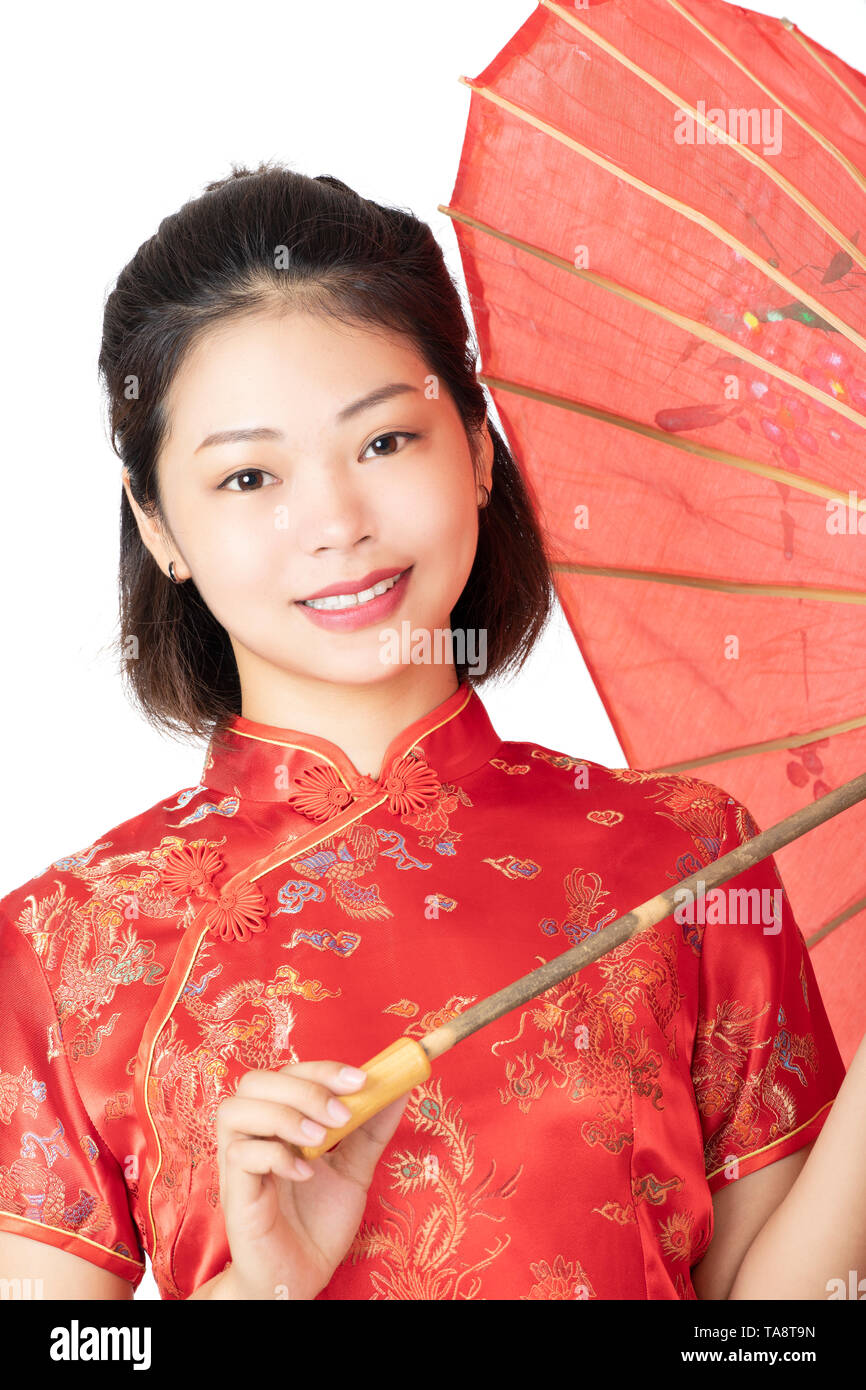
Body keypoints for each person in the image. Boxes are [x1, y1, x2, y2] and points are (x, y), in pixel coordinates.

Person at [0, 161, 856, 1301]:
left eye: (385, 443)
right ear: (158, 526)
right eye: (249, 475)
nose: (336, 525)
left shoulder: (690, 860)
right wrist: (255, 1290)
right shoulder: (67, 943)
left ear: (477, 450)